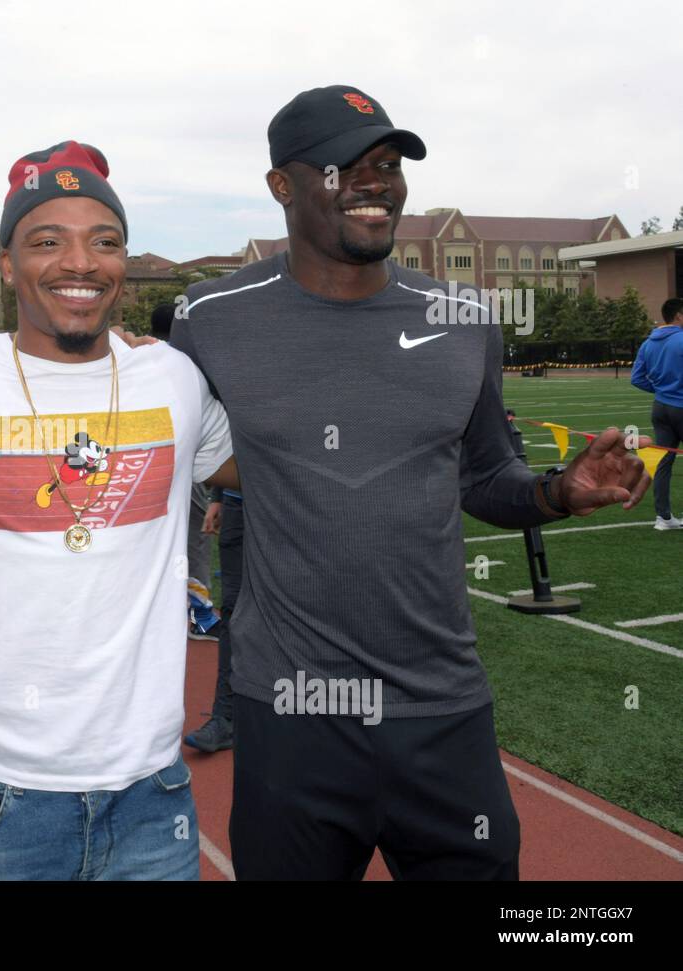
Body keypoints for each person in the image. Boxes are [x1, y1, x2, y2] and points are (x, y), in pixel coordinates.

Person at [169, 85, 651, 880]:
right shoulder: (210, 318)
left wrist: (559, 491)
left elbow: (487, 474)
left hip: (441, 708)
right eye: (343, 166)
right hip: (292, 711)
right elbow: (173, 456)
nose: (375, 182)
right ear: (282, 186)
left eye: (388, 164)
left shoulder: (464, 316)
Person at [0, 141, 236, 881]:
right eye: (47, 241)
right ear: (5, 261)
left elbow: (254, 466)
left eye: (104, 241)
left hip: (153, 791)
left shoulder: (173, 377)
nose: (81, 263)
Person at [152, 302, 217, 640]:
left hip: (150, 464)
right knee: (195, 540)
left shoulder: (144, 359)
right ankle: (198, 616)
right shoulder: (180, 364)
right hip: (184, 464)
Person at [183, 483, 241, 753]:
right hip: (237, 501)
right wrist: (219, 495)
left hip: (287, 499)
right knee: (233, 609)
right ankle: (225, 717)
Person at [630, 298, 683, 529]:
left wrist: (661, 390)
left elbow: (636, 378)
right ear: (679, 315)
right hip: (680, 405)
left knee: (663, 462)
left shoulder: (648, 343)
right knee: (664, 460)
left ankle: (663, 517)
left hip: (660, 407)